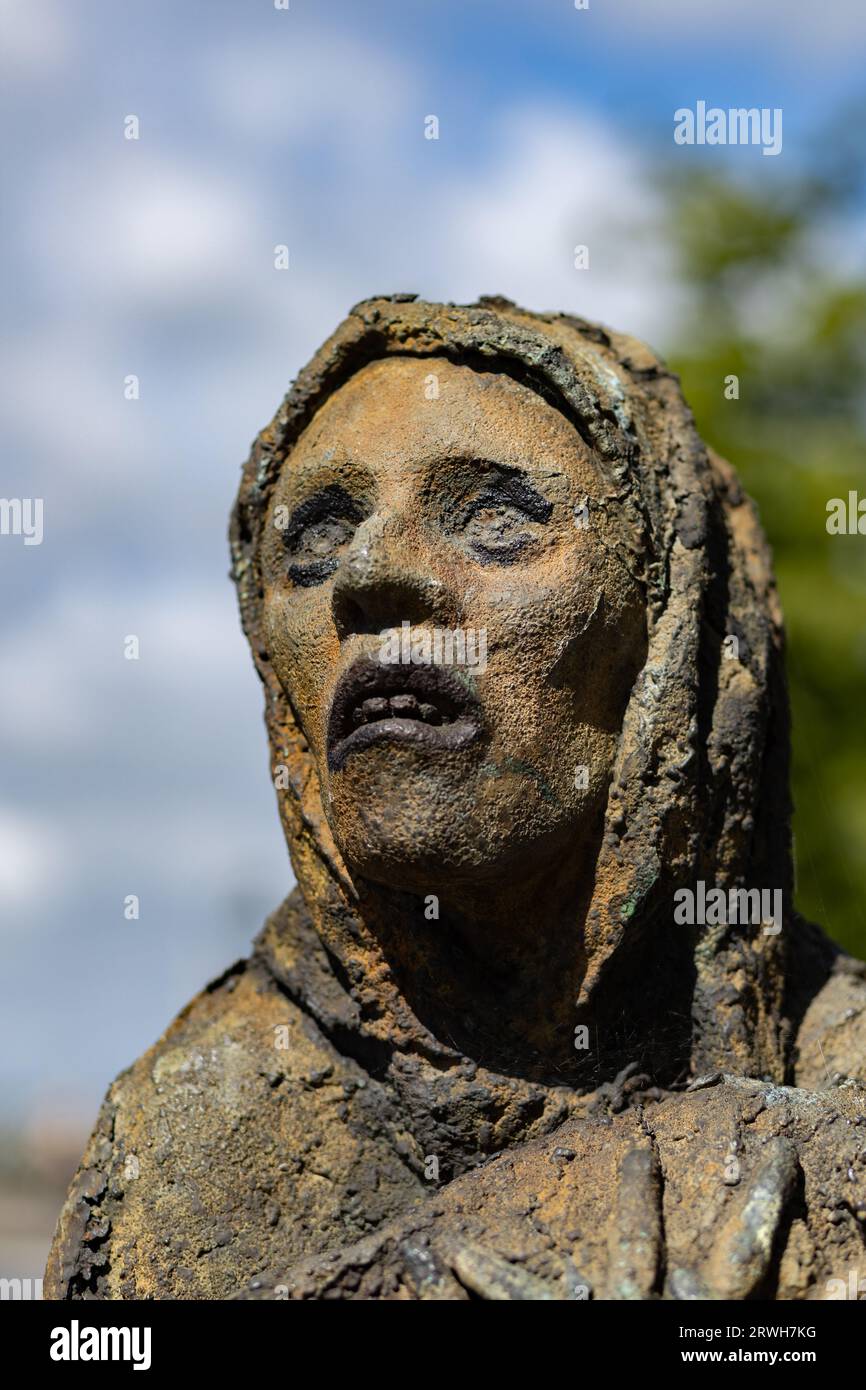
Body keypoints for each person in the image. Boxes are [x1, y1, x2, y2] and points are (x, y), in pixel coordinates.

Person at [46, 296, 866, 1301]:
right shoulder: (184, 1142)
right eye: (316, 536)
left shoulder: (845, 1085)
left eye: (496, 518)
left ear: (668, 631)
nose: (372, 574)